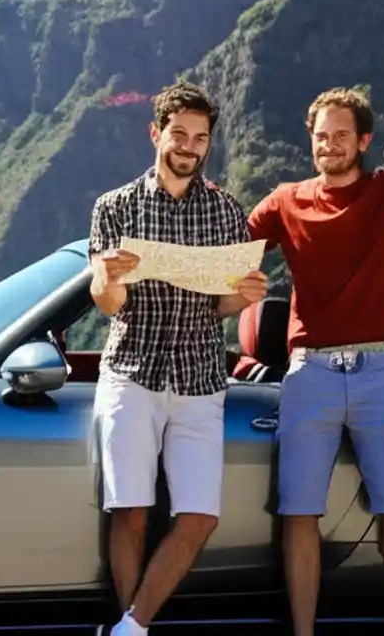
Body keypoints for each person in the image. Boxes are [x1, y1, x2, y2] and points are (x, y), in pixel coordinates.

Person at [246, 85, 384, 636]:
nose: (330, 144)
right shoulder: (285, 201)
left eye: (341, 135)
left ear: (363, 141)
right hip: (310, 374)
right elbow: (229, 249)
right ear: (311, 139)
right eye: (322, 135)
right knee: (298, 513)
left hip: (381, 372)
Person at [88, 81, 269, 636]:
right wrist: (107, 278)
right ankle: (133, 629)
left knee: (199, 517)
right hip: (131, 373)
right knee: (129, 510)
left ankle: (130, 626)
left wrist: (246, 295)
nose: (189, 146)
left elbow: (221, 306)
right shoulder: (114, 207)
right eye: (180, 134)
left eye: (200, 137)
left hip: (199, 380)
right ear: (156, 133)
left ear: (208, 143)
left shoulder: (225, 211)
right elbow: (108, 304)